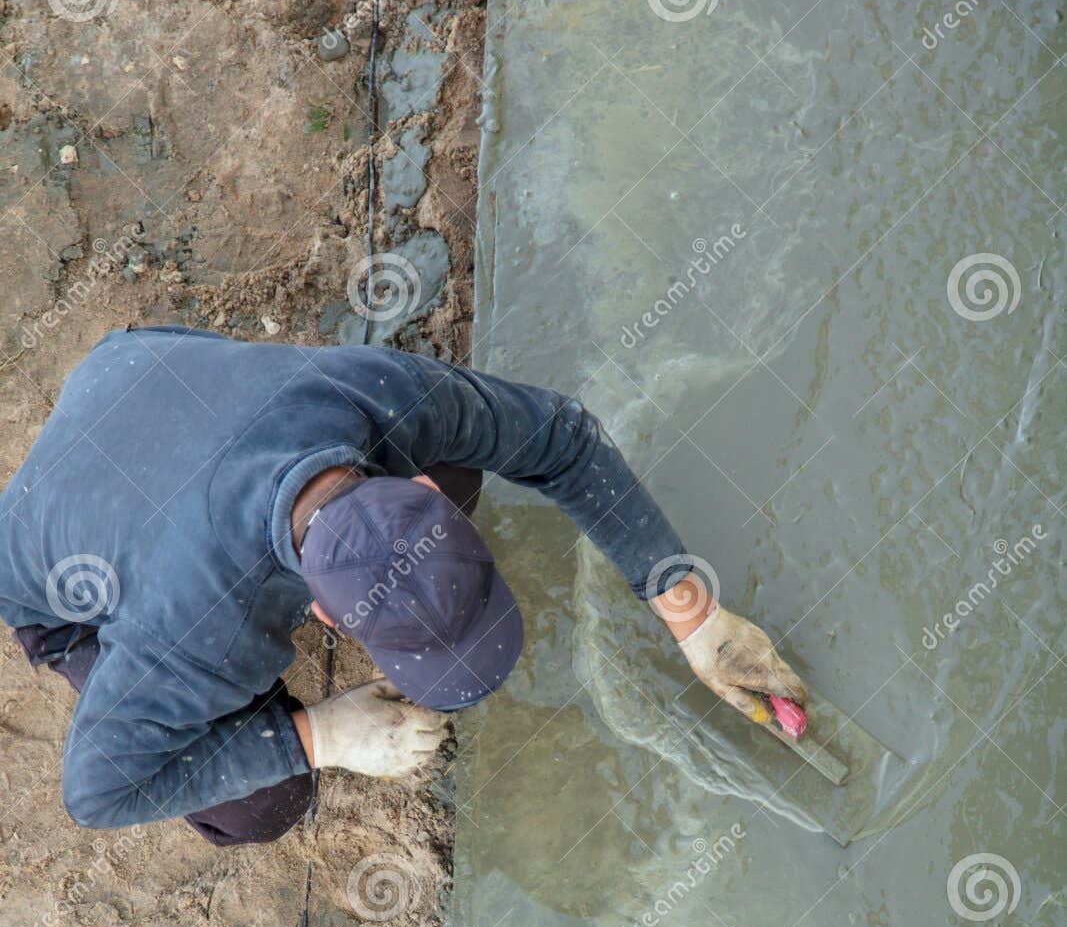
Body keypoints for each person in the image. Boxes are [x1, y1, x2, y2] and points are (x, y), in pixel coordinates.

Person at [0, 326, 805, 846]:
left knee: (465, 452)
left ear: (417, 494)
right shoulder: (201, 630)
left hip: (129, 374)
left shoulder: (371, 389)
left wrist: (696, 618)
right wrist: (322, 736)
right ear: (323, 616)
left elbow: (561, 436)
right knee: (263, 804)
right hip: (56, 571)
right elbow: (100, 790)